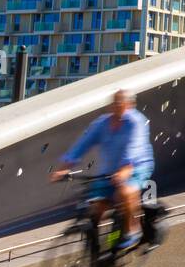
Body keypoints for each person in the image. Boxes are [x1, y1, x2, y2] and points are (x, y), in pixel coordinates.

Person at [50, 89, 154, 250]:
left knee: (124, 192)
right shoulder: (102, 123)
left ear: (129, 104)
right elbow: (82, 144)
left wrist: (125, 169)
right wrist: (64, 168)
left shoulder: (136, 122)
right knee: (96, 207)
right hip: (109, 171)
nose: (116, 106)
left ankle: (131, 230)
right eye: (114, 102)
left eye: (119, 103)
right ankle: (94, 251)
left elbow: (135, 147)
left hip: (137, 167)